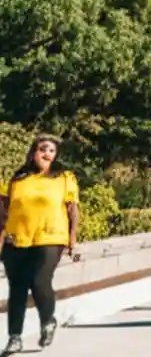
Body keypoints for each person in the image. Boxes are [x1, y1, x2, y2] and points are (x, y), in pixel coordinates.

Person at [0, 136, 80, 355]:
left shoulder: (64, 178)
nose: (47, 154)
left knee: (39, 280)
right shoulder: (18, 178)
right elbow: (4, 212)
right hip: (16, 239)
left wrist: (72, 240)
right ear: (33, 152)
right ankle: (14, 338)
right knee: (17, 289)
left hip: (51, 237)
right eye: (42, 149)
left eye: (52, 151)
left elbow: (73, 210)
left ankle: (47, 321)